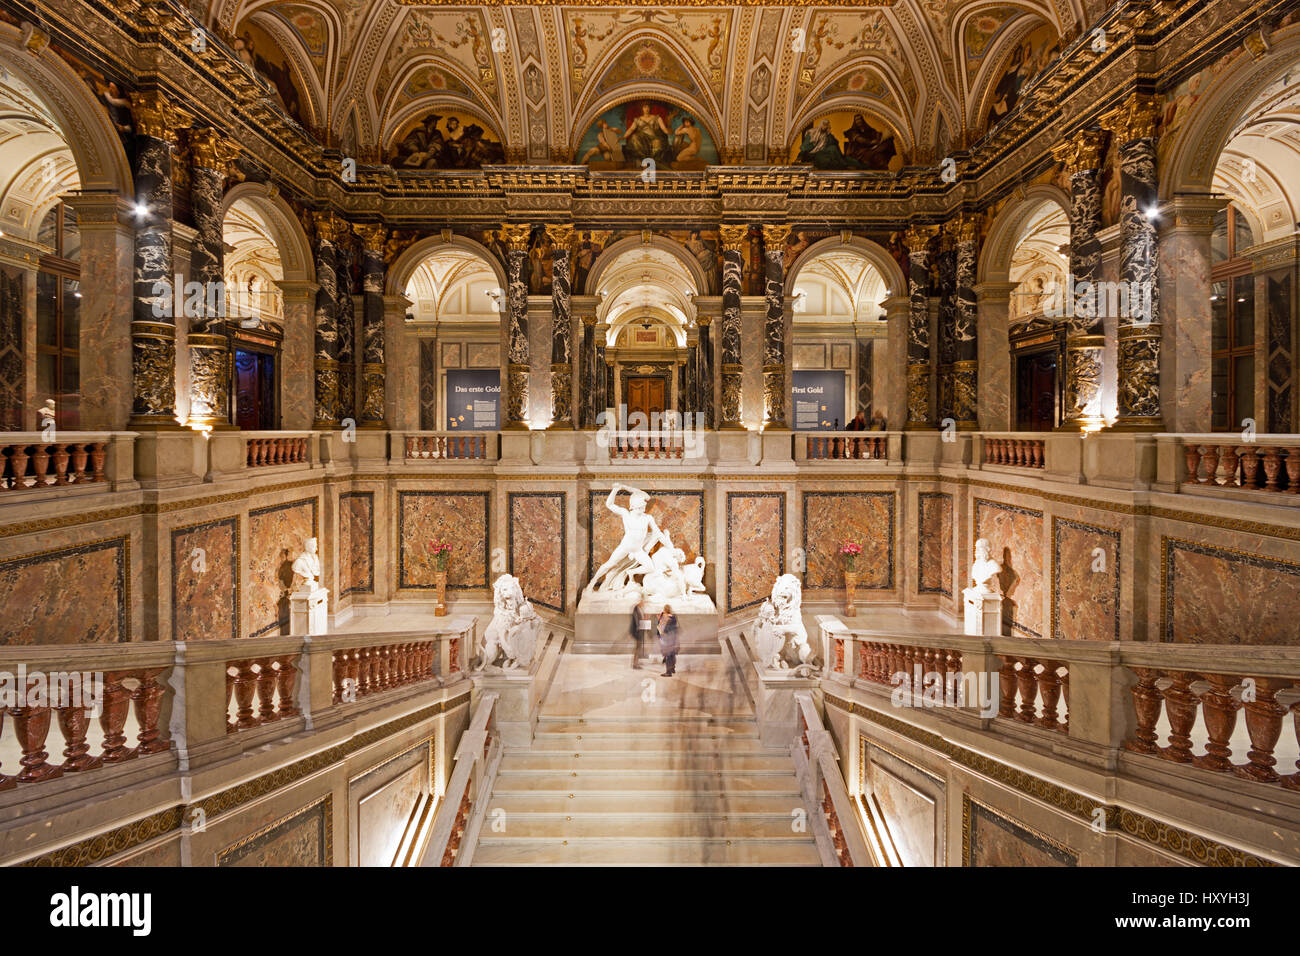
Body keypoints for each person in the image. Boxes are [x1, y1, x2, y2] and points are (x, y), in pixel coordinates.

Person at [631, 596, 653, 669]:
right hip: (637, 631)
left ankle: (636, 662)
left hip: (640, 631)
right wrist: (638, 629)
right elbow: (636, 621)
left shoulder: (640, 609)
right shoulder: (636, 608)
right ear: (640, 601)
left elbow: (640, 619)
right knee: (637, 648)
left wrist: (645, 618)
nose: (644, 603)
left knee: (639, 647)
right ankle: (635, 664)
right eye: (643, 602)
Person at [657, 604, 679, 677]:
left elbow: (664, 629)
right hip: (673, 638)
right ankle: (672, 668)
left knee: (668, 655)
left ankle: (668, 672)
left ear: (665, 610)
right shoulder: (673, 617)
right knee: (672, 654)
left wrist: (661, 621)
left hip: (667, 639)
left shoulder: (667, 618)